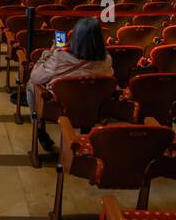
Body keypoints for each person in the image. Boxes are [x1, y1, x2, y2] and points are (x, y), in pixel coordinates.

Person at [27, 17, 113, 152]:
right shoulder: (107, 60)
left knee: (31, 85)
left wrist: (49, 53)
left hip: (60, 108)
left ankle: (39, 128)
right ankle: (85, 131)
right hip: (91, 108)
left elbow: (35, 77)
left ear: (75, 37)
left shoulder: (60, 56)